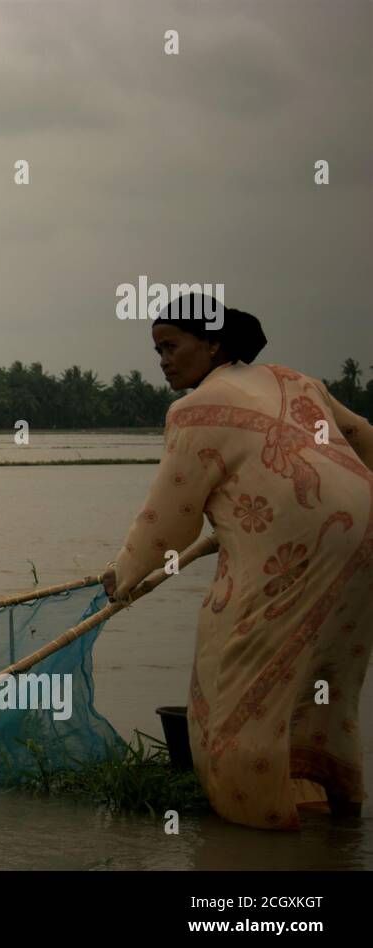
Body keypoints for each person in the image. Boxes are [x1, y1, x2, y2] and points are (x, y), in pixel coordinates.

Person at [101, 295, 373, 830]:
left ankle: (260, 826)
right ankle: (332, 808)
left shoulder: (193, 409)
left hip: (290, 551)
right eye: (157, 349)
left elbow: (169, 518)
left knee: (237, 682)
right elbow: (363, 435)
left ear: (214, 344)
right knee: (328, 676)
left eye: (172, 346)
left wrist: (122, 576)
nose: (163, 360)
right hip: (362, 539)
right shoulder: (295, 381)